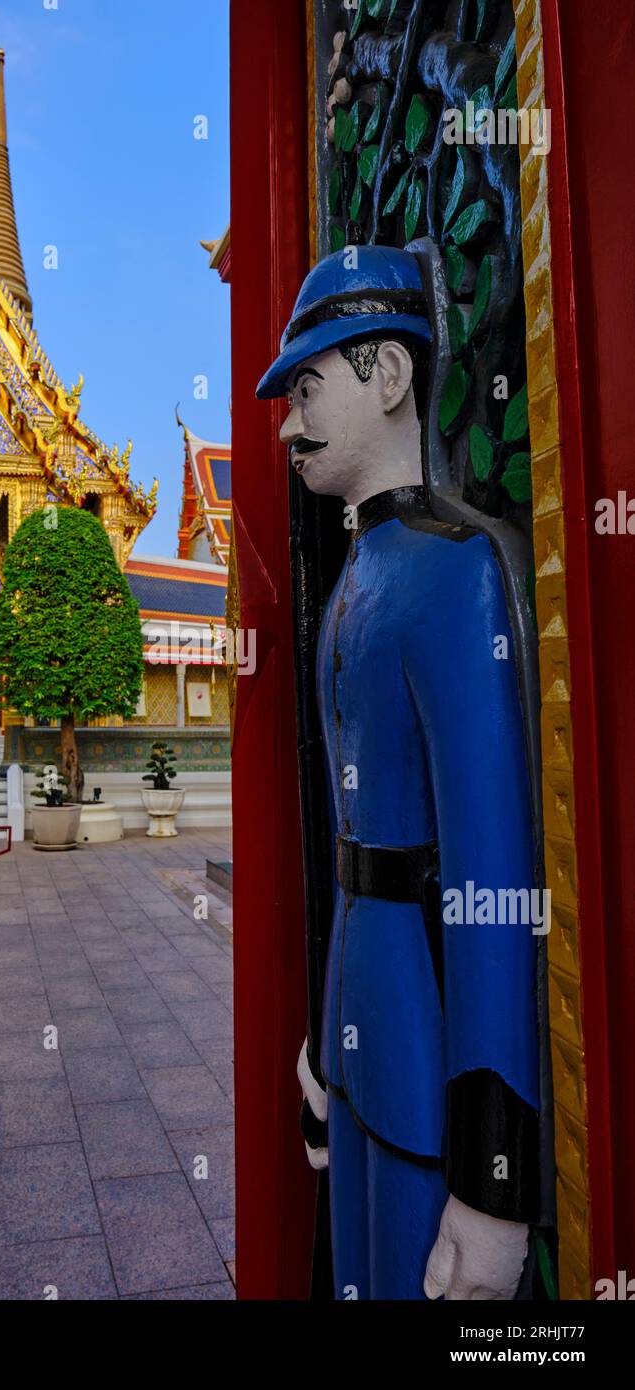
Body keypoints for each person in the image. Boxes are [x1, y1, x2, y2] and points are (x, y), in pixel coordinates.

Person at [257, 246, 540, 1300]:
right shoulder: (351, 586)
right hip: (358, 1040)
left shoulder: (454, 571)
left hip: (430, 1063)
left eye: (307, 385)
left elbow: (493, 887)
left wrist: (494, 1171)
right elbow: (348, 863)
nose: (286, 423)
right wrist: (322, 1056)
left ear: (386, 377)